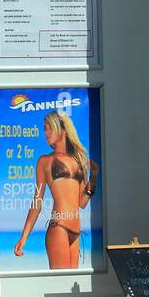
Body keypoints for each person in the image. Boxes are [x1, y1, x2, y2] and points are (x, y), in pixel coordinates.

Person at [13, 110, 99, 269]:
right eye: (44, 128)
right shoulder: (44, 161)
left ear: (64, 129)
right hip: (59, 228)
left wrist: (93, 178)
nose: (46, 133)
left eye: (49, 128)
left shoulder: (78, 160)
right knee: (61, 286)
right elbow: (37, 202)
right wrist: (24, 238)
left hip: (76, 233)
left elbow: (82, 202)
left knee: (72, 288)